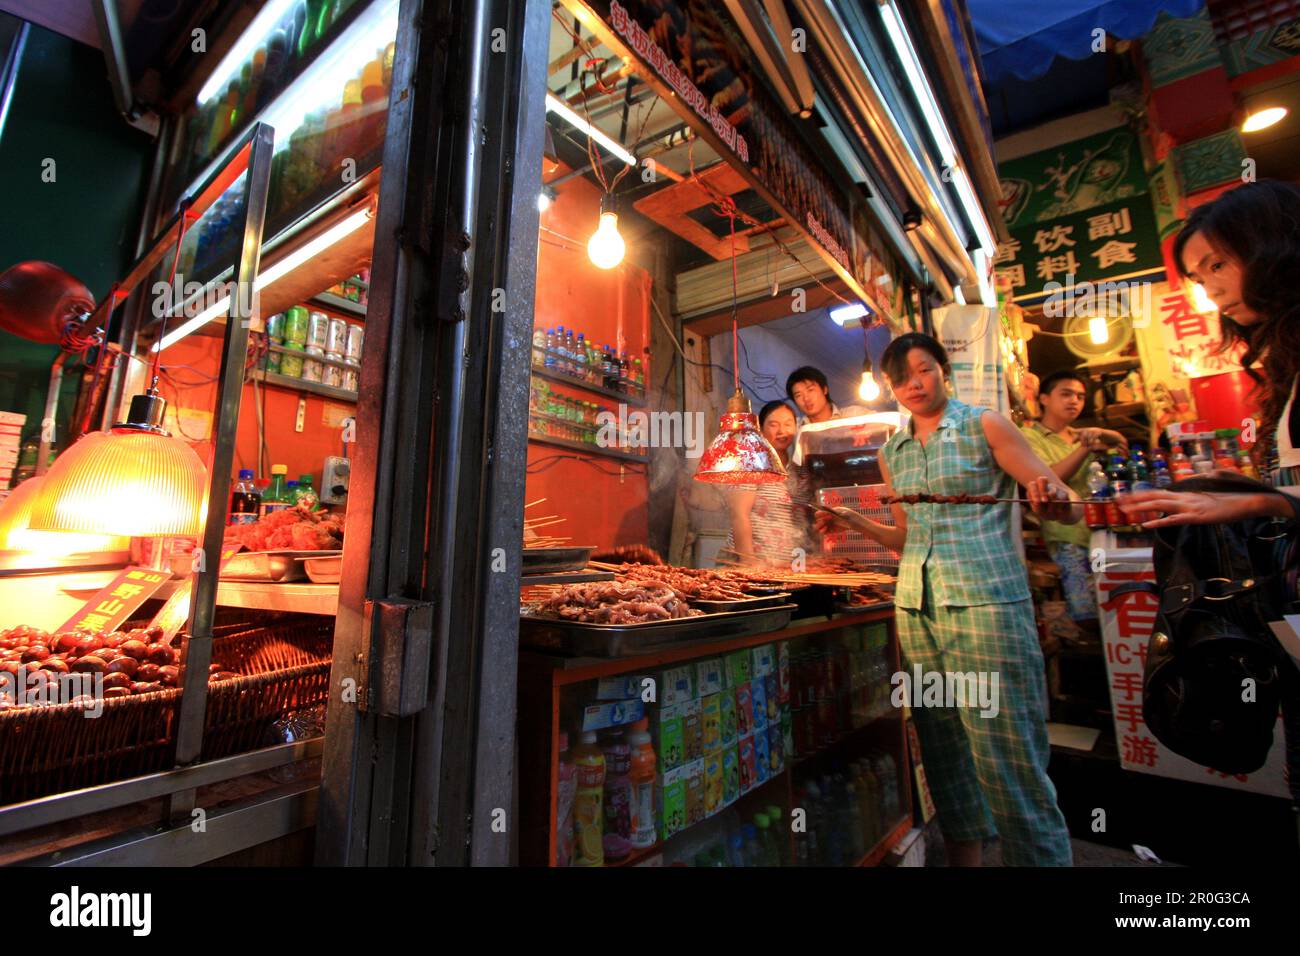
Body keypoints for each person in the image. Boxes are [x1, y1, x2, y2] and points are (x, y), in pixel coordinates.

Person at [817, 332, 1078, 866]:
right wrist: (854, 521)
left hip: (984, 604)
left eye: (924, 370)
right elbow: (909, 536)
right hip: (918, 609)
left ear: (943, 371)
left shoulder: (985, 424)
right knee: (943, 749)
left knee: (1007, 752)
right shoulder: (893, 452)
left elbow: (1064, 502)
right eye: (901, 378)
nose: (913, 384)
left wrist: (1054, 500)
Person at [1020, 369, 1128, 628]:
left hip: (1102, 532)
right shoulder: (1029, 436)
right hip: (1066, 537)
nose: (1074, 401)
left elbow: (1122, 448)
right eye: (1066, 394)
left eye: (1080, 396)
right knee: (1087, 614)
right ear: (1043, 399)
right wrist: (1085, 449)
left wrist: (1103, 433)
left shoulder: (1084, 435)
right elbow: (1047, 478)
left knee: (1114, 609)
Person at [723, 400, 813, 565]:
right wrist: (748, 561)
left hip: (785, 565)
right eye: (773, 425)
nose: (782, 431)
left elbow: (803, 522)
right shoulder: (749, 463)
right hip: (750, 563)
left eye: (788, 424)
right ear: (761, 430)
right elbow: (738, 514)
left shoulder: (800, 471)